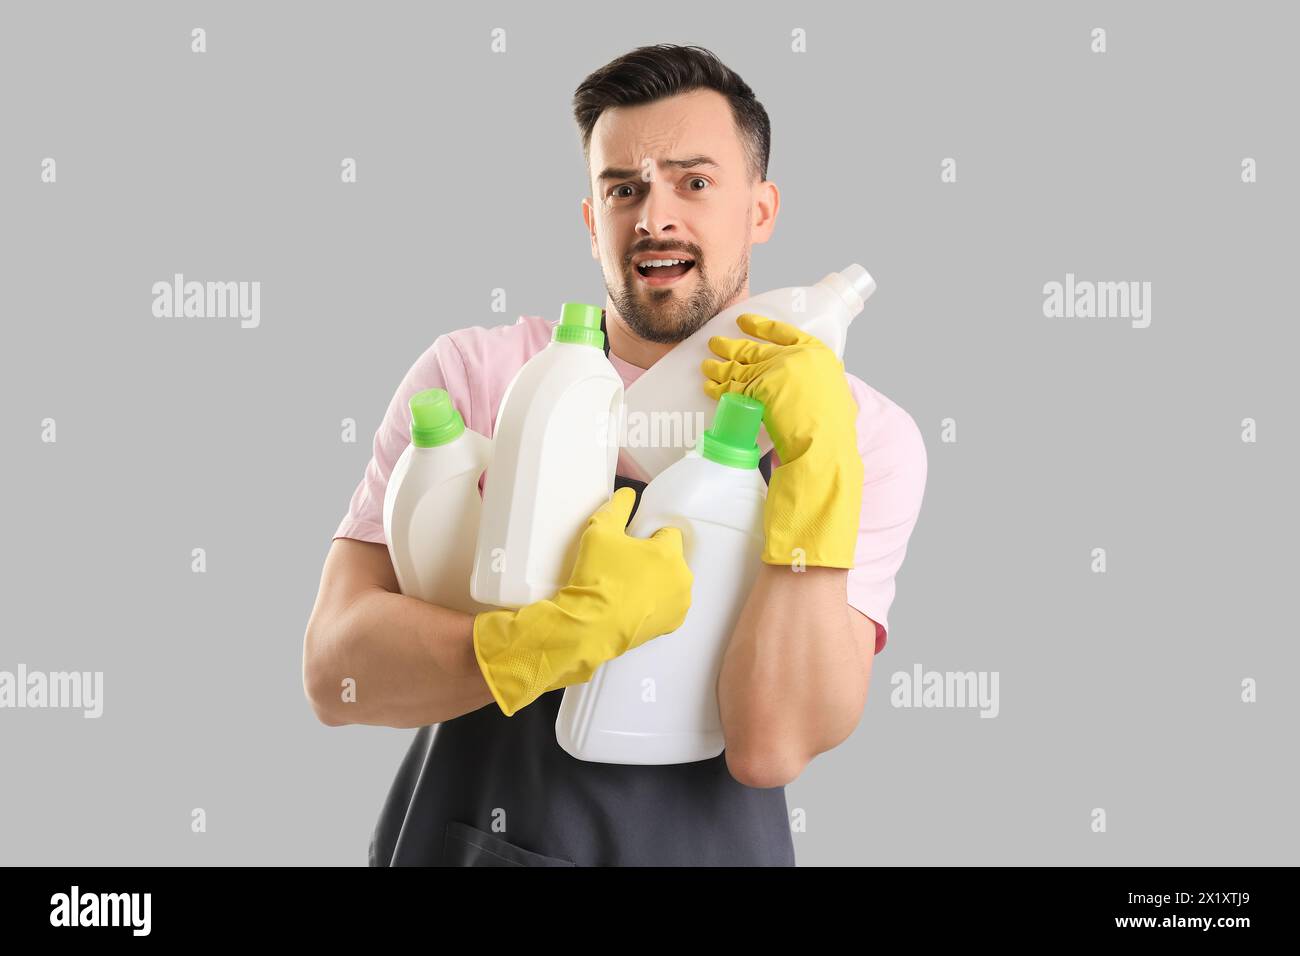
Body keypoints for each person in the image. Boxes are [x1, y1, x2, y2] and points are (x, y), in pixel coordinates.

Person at [302, 44, 928, 866]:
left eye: (694, 183)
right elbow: (337, 672)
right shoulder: (481, 375)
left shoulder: (864, 435)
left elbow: (772, 746)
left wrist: (818, 468)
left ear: (762, 209)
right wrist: (543, 640)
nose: (654, 216)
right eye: (623, 188)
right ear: (592, 218)